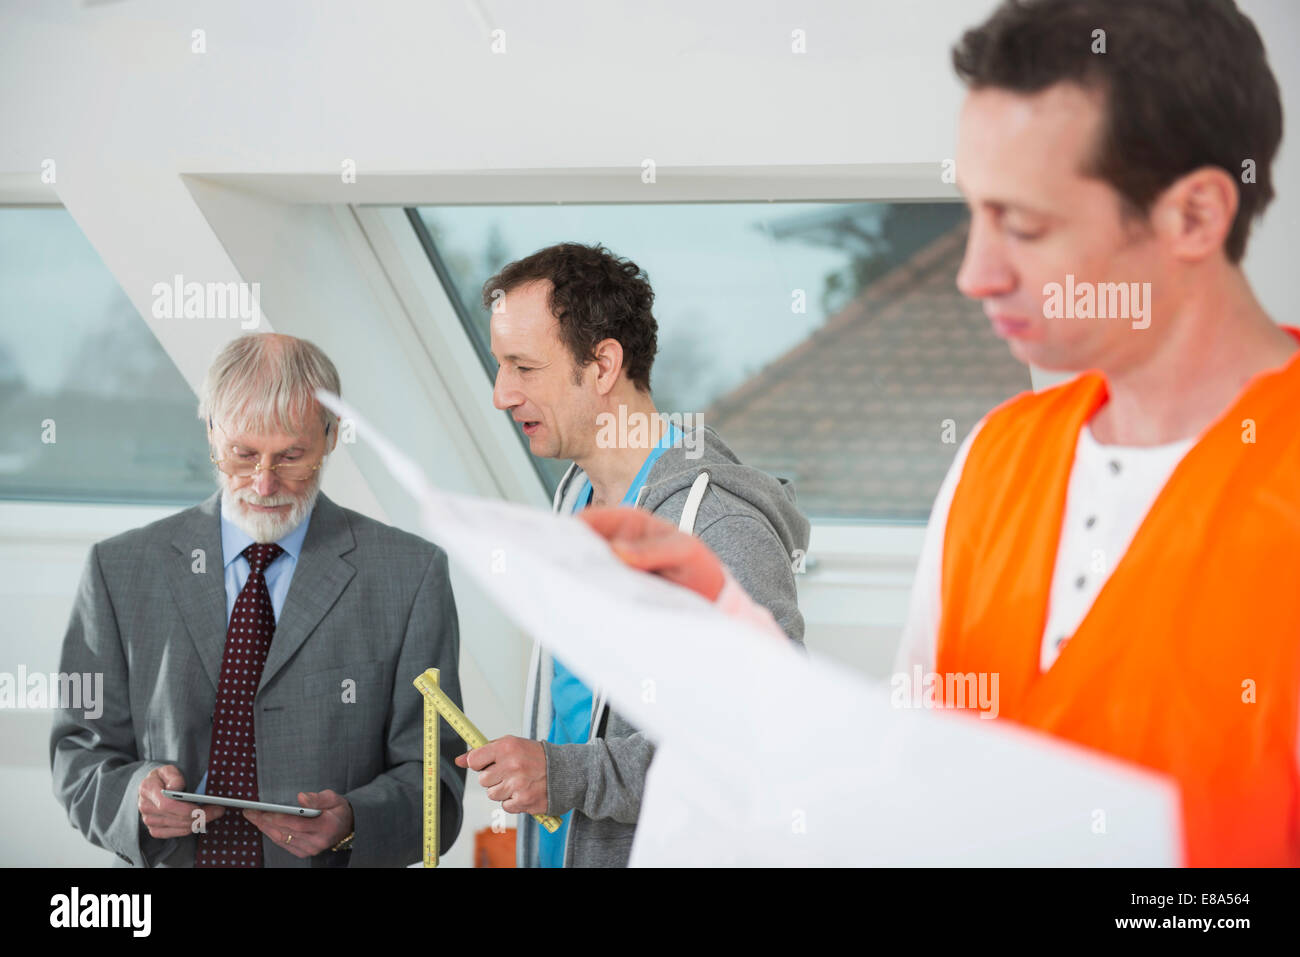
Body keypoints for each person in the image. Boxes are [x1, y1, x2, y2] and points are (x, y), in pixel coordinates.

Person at [580, 0, 1299, 866]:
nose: (973, 273)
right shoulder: (998, 456)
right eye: (973, 216)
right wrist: (742, 646)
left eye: (1023, 226)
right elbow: (912, 788)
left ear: (1193, 216)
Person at [454, 242, 809, 867]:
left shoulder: (721, 524)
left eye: (522, 368)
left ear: (602, 365)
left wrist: (568, 775)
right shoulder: (575, 496)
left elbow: (763, 741)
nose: (501, 395)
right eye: (499, 366)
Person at [50, 333, 465, 867]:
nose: (264, 484)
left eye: (292, 456)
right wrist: (136, 797)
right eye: (243, 455)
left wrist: (354, 822)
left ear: (332, 436)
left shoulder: (410, 575)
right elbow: (78, 753)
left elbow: (438, 779)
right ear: (211, 433)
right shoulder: (118, 569)